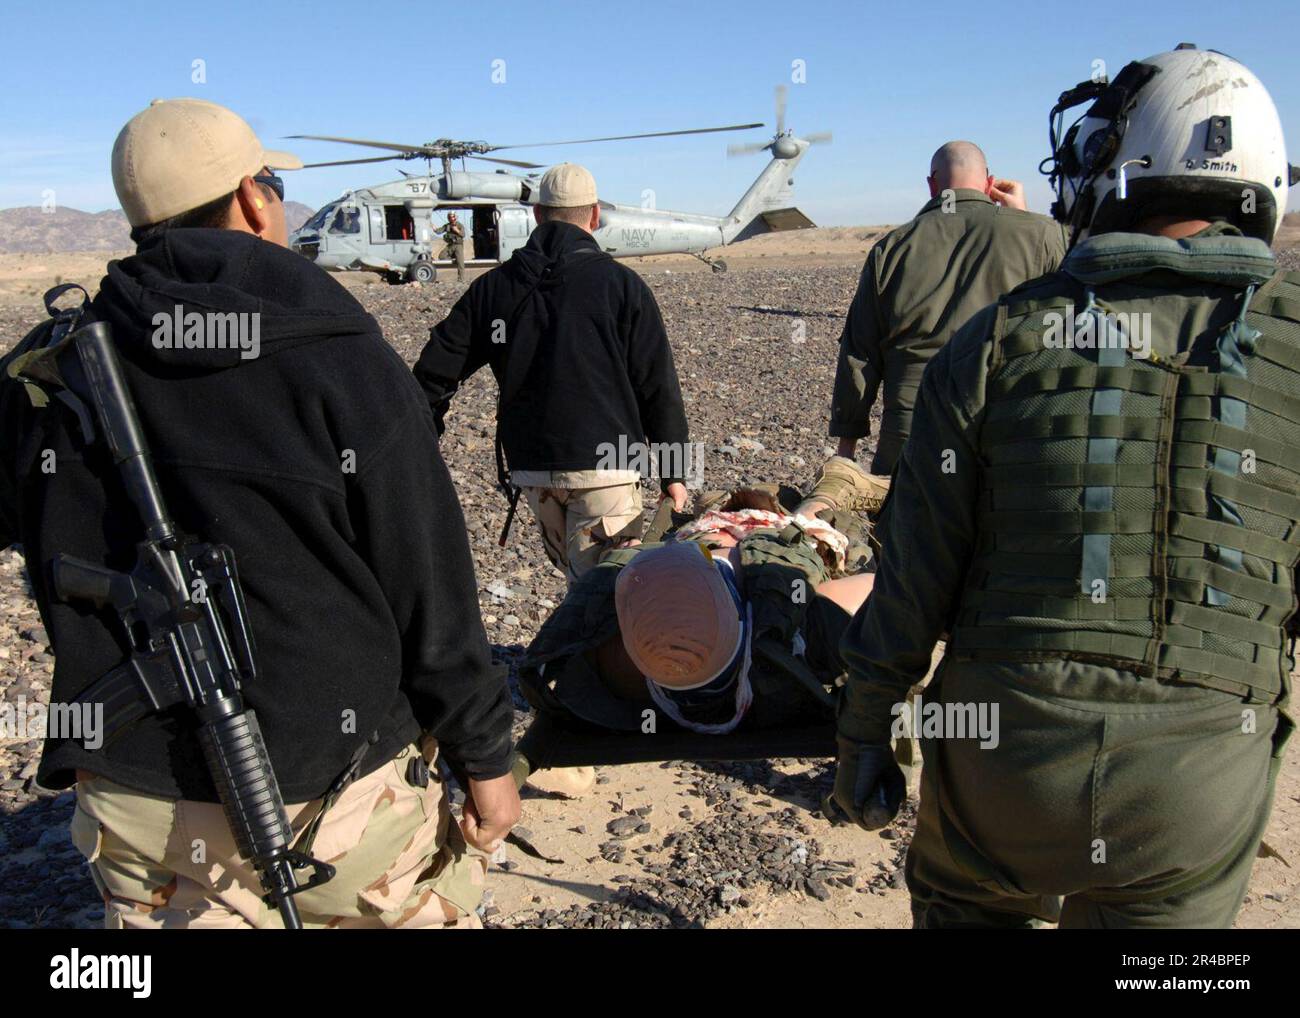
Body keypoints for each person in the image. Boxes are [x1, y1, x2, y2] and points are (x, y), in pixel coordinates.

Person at [0, 98, 519, 928]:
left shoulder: (48, 368)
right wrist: (486, 756)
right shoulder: (339, 358)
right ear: (252, 199)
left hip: (132, 800)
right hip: (333, 799)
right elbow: (430, 585)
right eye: (274, 184)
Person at [830, 45, 1298, 928]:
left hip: (999, 757)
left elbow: (914, 579)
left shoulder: (997, 341)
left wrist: (864, 729)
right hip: (1196, 786)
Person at [414, 163, 690, 585]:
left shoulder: (493, 288)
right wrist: (675, 473)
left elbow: (434, 372)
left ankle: (563, 650)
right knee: (606, 594)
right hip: (610, 467)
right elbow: (659, 387)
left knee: (581, 582)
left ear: (538, 215)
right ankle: (575, 651)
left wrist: (419, 443)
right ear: (595, 215)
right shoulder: (623, 286)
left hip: (532, 469)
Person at [518, 458, 888, 755]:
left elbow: (583, 624)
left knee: (707, 534)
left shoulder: (615, 668)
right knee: (810, 523)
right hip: (767, 541)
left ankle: (719, 510)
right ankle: (831, 486)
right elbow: (887, 598)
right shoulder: (805, 635)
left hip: (697, 542)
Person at [829, 141, 1066, 476]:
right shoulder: (1043, 235)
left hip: (913, 431)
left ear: (931, 185)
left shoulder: (892, 248)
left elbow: (859, 353)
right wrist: (1024, 220)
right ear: (990, 183)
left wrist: (846, 450)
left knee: (904, 523)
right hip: (1011, 429)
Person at [440, 210, 466, 282]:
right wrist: (433, 228)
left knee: (461, 263)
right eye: (450, 217)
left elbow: (463, 235)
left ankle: (461, 279)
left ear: (455, 217)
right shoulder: (447, 226)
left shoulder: (459, 225)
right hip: (450, 245)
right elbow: (439, 231)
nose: (451, 218)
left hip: (458, 245)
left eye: (452, 217)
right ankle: (454, 257)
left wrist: (457, 230)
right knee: (441, 256)